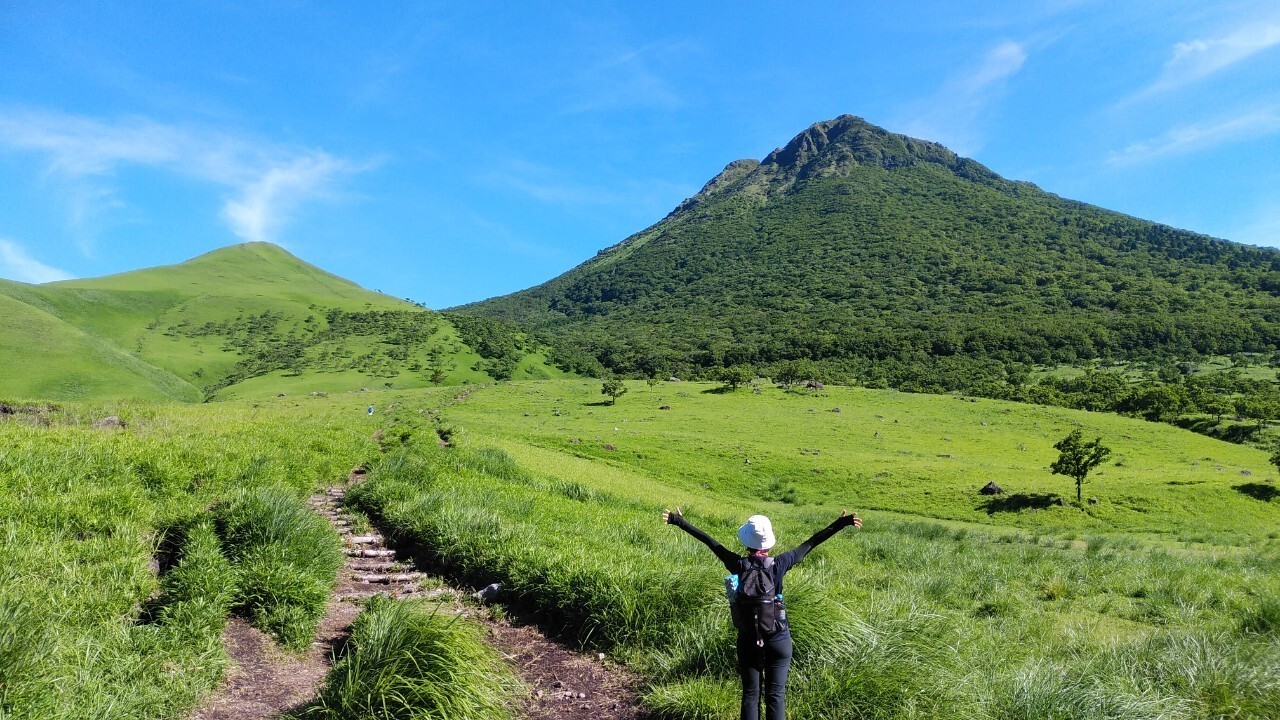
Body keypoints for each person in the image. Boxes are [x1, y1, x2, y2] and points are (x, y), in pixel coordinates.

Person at [662, 506, 862, 720]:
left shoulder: (738, 564)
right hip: (779, 637)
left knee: (750, 694)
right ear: (769, 542)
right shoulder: (780, 563)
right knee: (776, 695)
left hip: (749, 637)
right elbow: (811, 542)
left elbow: (710, 542)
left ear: (747, 541)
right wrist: (841, 523)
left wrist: (679, 521)